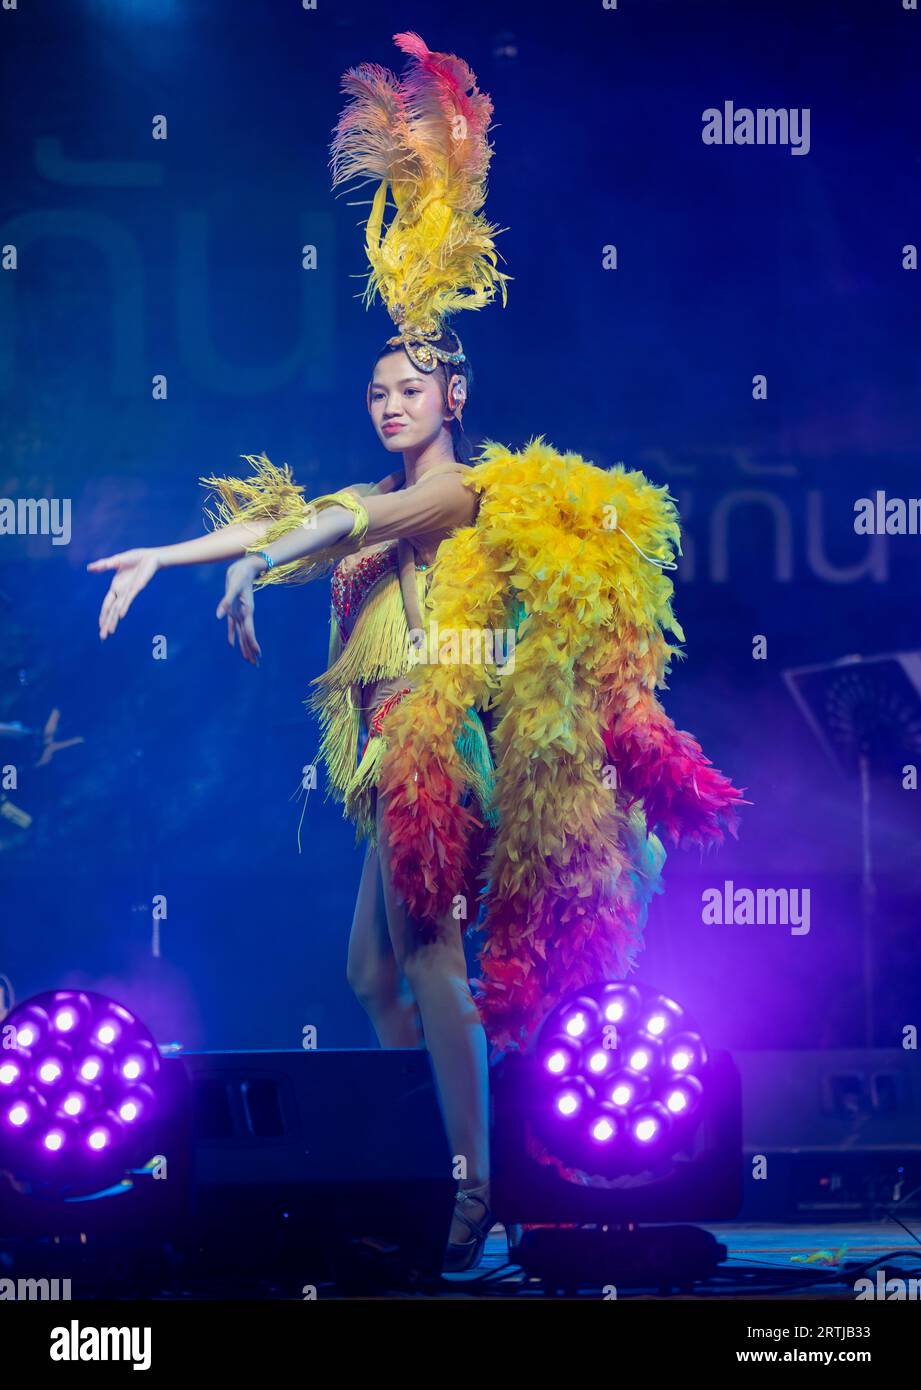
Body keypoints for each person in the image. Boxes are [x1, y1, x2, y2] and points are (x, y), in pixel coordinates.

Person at [89, 32, 745, 1273]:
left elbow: (355, 520)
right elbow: (298, 515)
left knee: (432, 956)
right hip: (390, 747)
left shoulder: (467, 493)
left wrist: (258, 566)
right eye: (378, 388)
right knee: (371, 974)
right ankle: (433, 1149)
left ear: (454, 399)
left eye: (411, 387)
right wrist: (172, 559)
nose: (389, 402)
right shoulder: (379, 487)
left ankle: (466, 1189)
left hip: (436, 747)